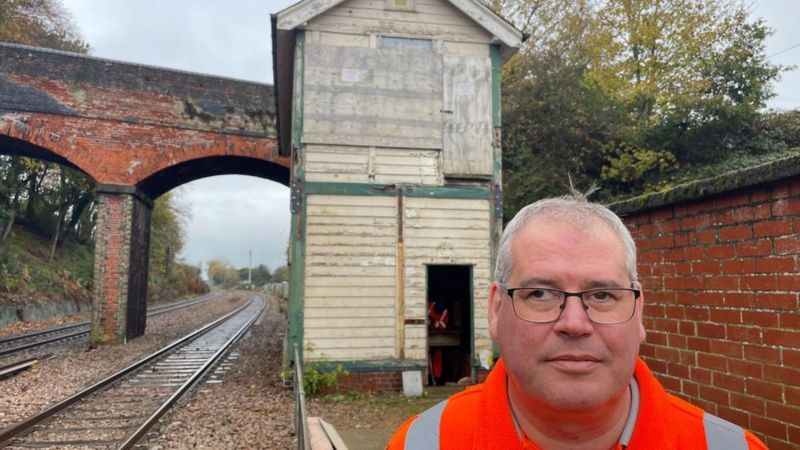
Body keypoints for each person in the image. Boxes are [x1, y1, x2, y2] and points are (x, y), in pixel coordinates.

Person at [387, 193, 766, 449]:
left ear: (639, 313)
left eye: (602, 295)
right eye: (540, 293)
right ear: (496, 311)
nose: (574, 323)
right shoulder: (422, 442)